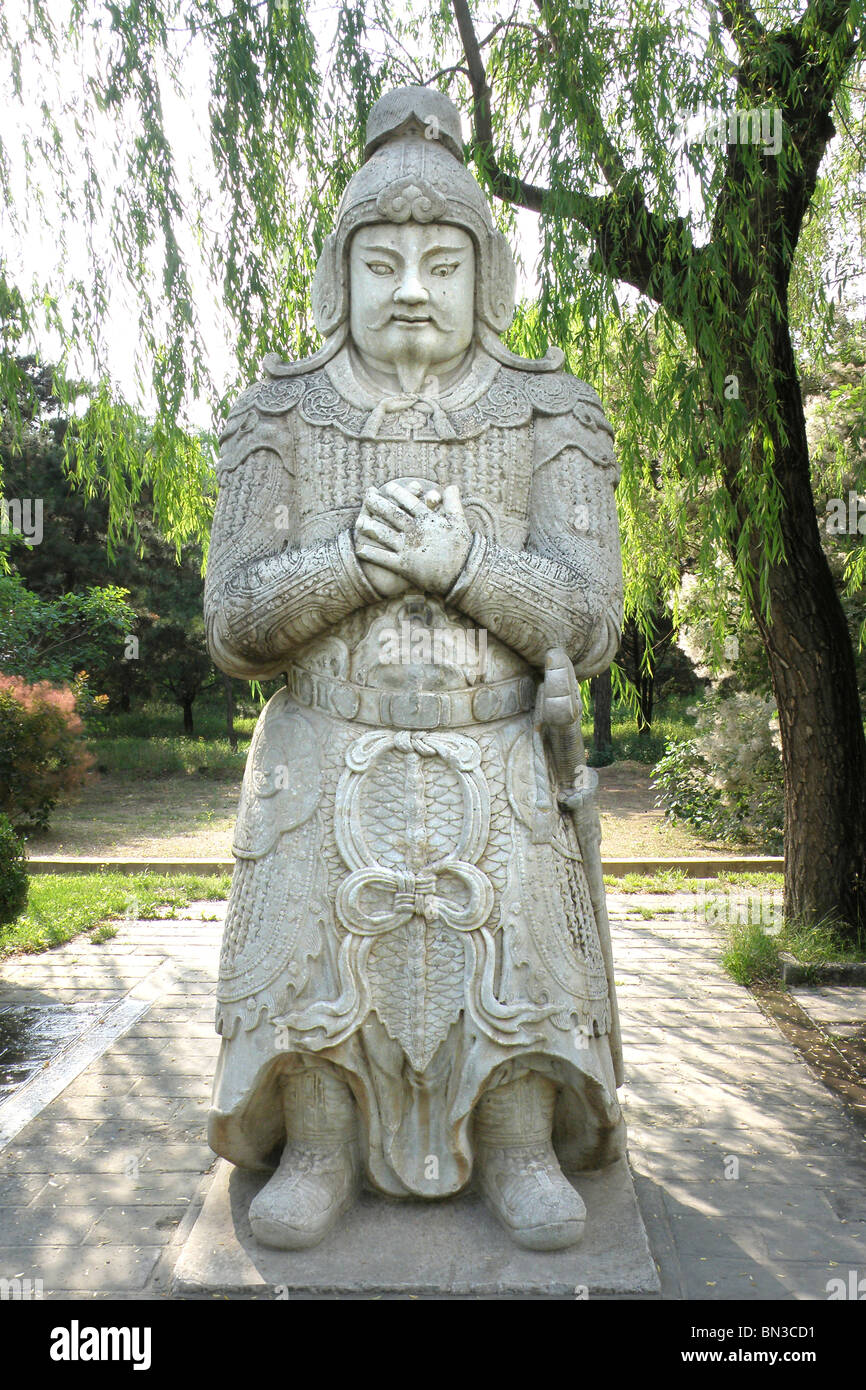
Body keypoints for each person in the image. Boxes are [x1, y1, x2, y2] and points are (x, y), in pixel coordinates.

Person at [204, 85, 626, 1252]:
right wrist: (347, 561)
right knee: (313, 958)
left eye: (441, 263)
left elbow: (589, 620)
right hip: (323, 742)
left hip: (496, 743)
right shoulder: (278, 414)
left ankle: (518, 1141)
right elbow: (234, 622)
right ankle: (321, 1145)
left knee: (514, 946)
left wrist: (464, 559)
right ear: (339, 273)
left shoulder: (548, 410)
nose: (408, 289)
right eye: (381, 261)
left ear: (482, 278)